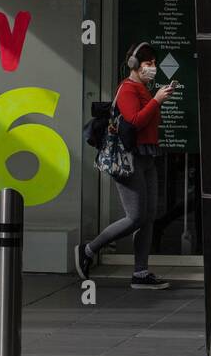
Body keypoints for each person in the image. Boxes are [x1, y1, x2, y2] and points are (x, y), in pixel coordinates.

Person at [75, 41, 176, 289]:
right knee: (135, 216)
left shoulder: (144, 88)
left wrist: (155, 98)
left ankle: (140, 273)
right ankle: (88, 249)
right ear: (134, 65)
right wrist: (157, 100)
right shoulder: (129, 89)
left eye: (154, 63)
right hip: (128, 160)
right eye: (148, 64)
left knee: (148, 216)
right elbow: (134, 121)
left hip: (146, 157)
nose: (152, 68)